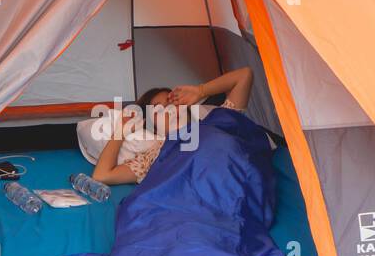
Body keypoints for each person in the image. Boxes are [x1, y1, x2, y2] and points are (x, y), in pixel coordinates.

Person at [92, 66, 254, 185]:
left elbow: (245, 75)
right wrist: (121, 131)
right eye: (158, 109)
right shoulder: (153, 154)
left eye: (172, 103)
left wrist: (201, 91)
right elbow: (102, 176)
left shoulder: (216, 121)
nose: (169, 109)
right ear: (152, 126)